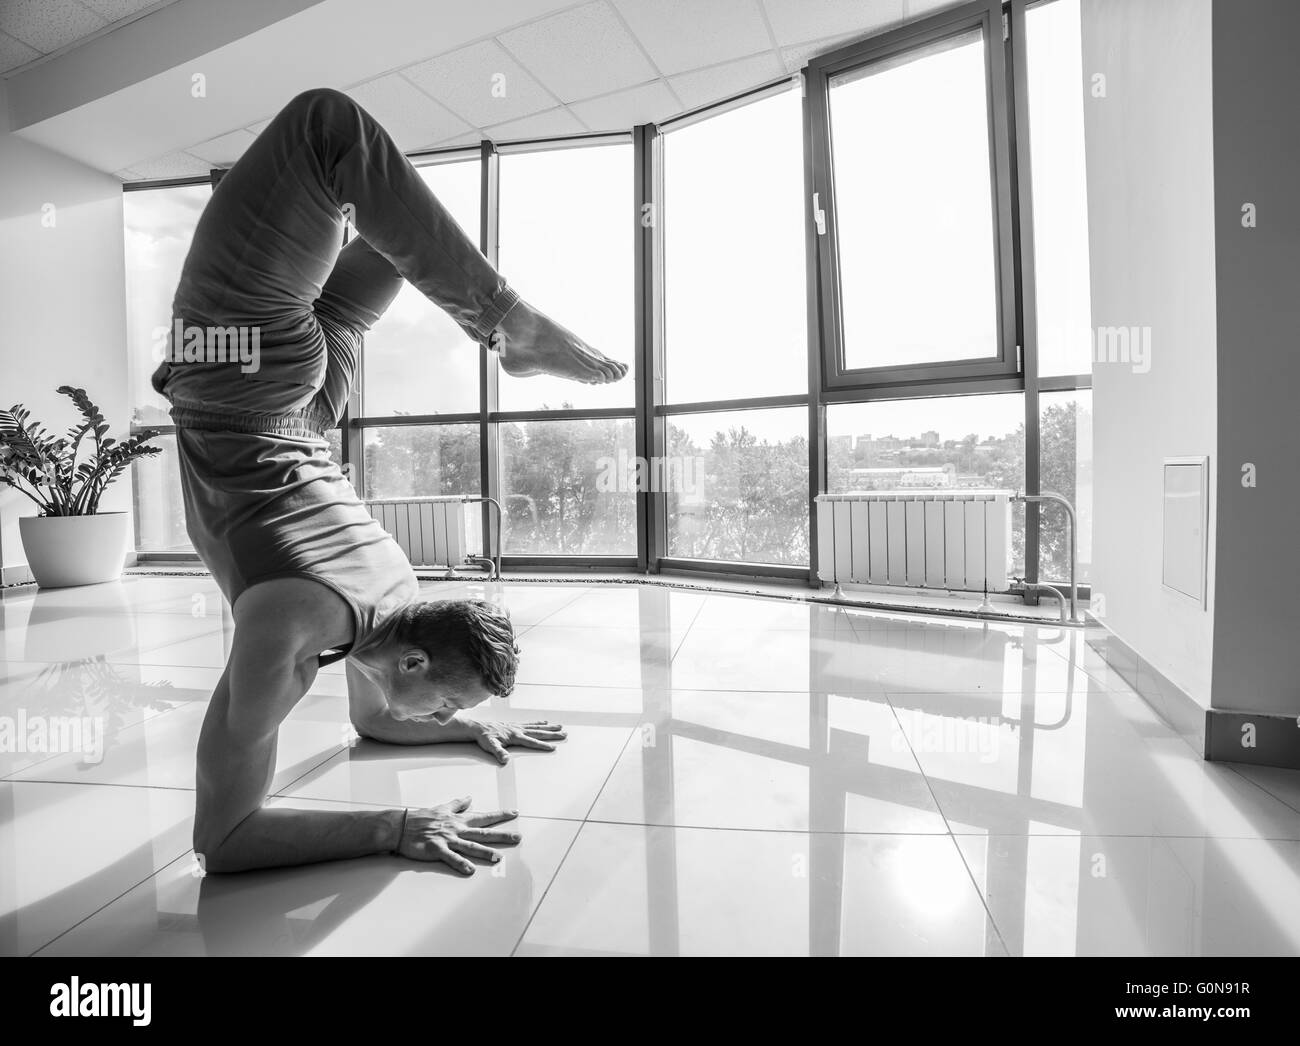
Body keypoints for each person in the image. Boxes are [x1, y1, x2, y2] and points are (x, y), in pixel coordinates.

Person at [151, 87, 626, 874]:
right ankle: (512, 323)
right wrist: (393, 827)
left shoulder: (399, 600)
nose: (438, 715)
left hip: (306, 396)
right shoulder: (295, 634)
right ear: (410, 662)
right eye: (445, 702)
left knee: (384, 224)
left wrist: (470, 727)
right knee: (325, 128)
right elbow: (225, 840)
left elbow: (380, 724)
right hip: (230, 376)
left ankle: (504, 320)